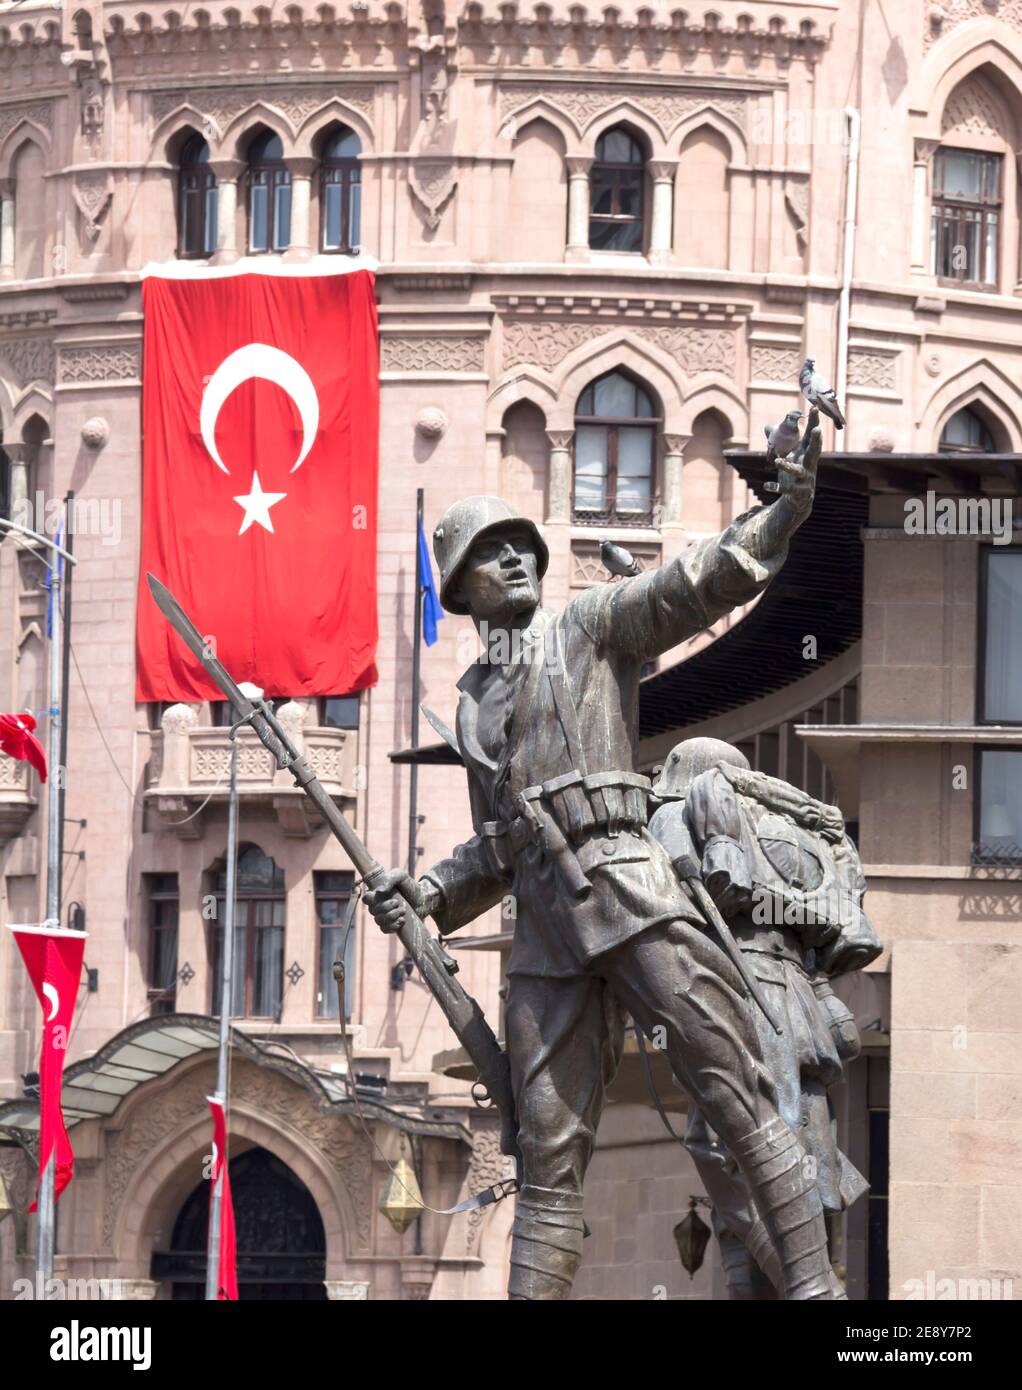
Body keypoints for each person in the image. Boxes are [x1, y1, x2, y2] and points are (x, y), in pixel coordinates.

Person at [366, 413, 843, 1299]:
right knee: (547, 1152)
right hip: (544, 935)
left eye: (522, 548)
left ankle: (819, 1296)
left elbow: (688, 586)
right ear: (458, 591)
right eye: (490, 553)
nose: (515, 561)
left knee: (736, 1088)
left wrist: (781, 514)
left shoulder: (584, 628)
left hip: (629, 887)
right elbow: (501, 845)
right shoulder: (472, 706)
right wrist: (428, 890)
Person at [648, 736, 882, 1299]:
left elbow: (660, 906)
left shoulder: (683, 810)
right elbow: (837, 932)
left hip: (735, 990)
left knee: (735, 1151)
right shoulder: (802, 835)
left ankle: (807, 1290)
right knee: (801, 1160)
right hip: (800, 1001)